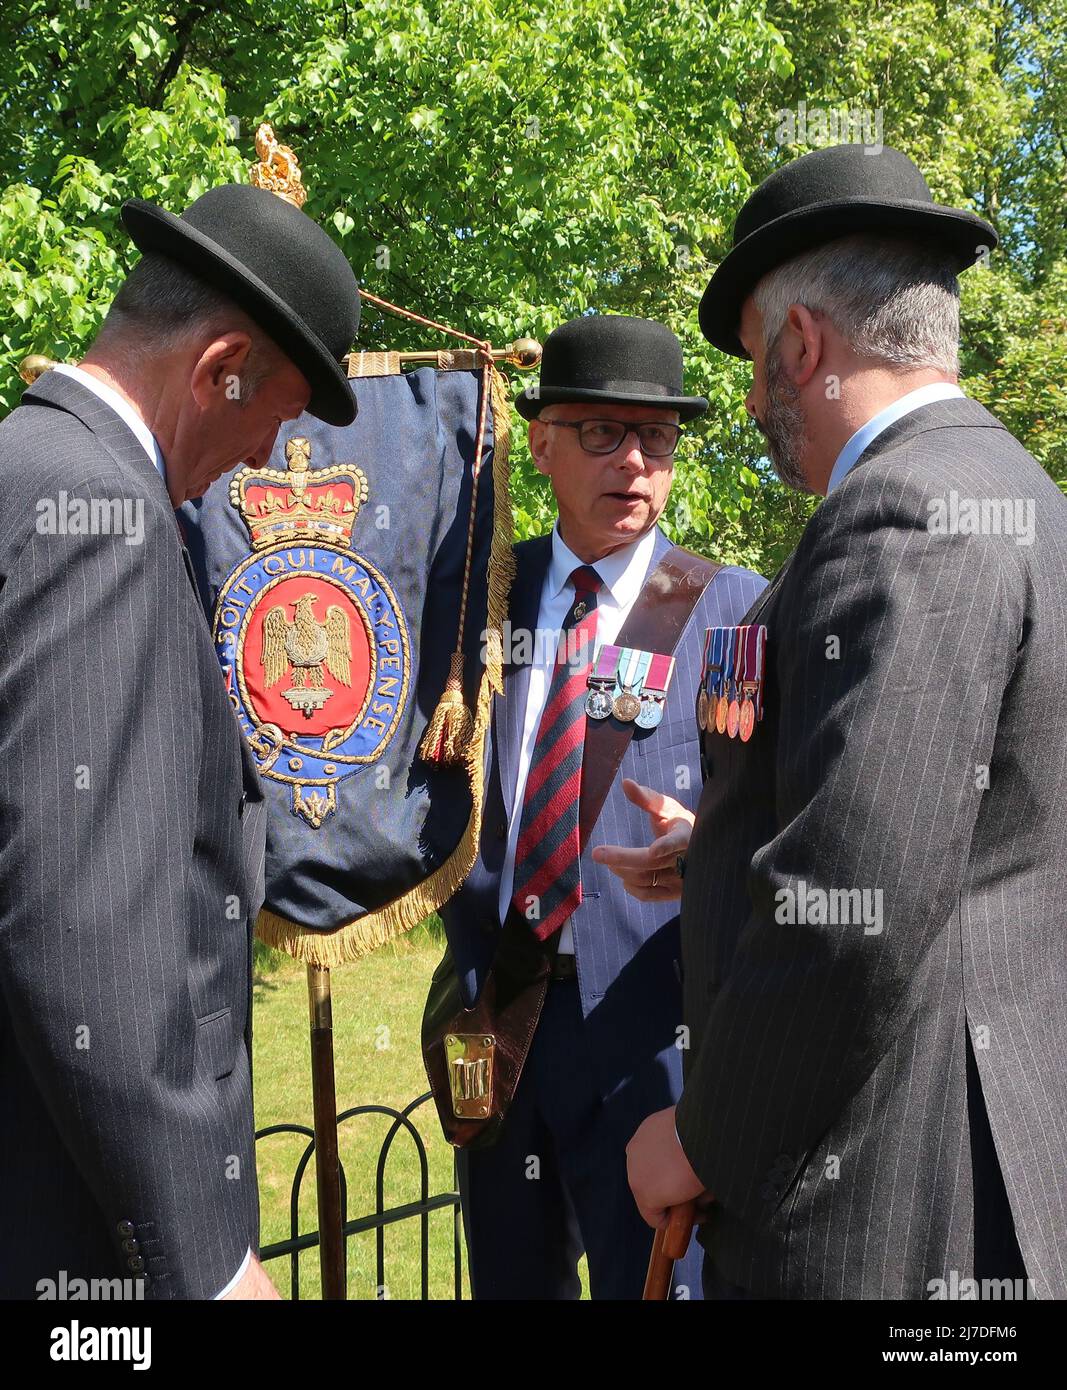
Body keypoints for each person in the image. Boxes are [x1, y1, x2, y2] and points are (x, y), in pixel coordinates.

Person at [621, 143, 1067, 1299]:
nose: (757, 408)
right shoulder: (1018, 493)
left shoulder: (901, 513)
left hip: (887, 1201)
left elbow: (855, 898)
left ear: (801, 346)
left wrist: (703, 1135)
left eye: (755, 367)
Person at [0, 182, 361, 1299]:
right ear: (222, 369)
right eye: (276, 417)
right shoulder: (102, 521)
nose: (262, 459)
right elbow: (82, 926)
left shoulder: (25, 468)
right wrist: (199, 1258)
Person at [434, 314, 765, 1298]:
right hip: (501, 1020)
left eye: (655, 438)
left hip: (652, 1032)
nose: (633, 460)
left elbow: (772, 816)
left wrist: (706, 845)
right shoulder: (480, 600)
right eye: (601, 433)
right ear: (539, 443)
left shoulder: (726, 609)